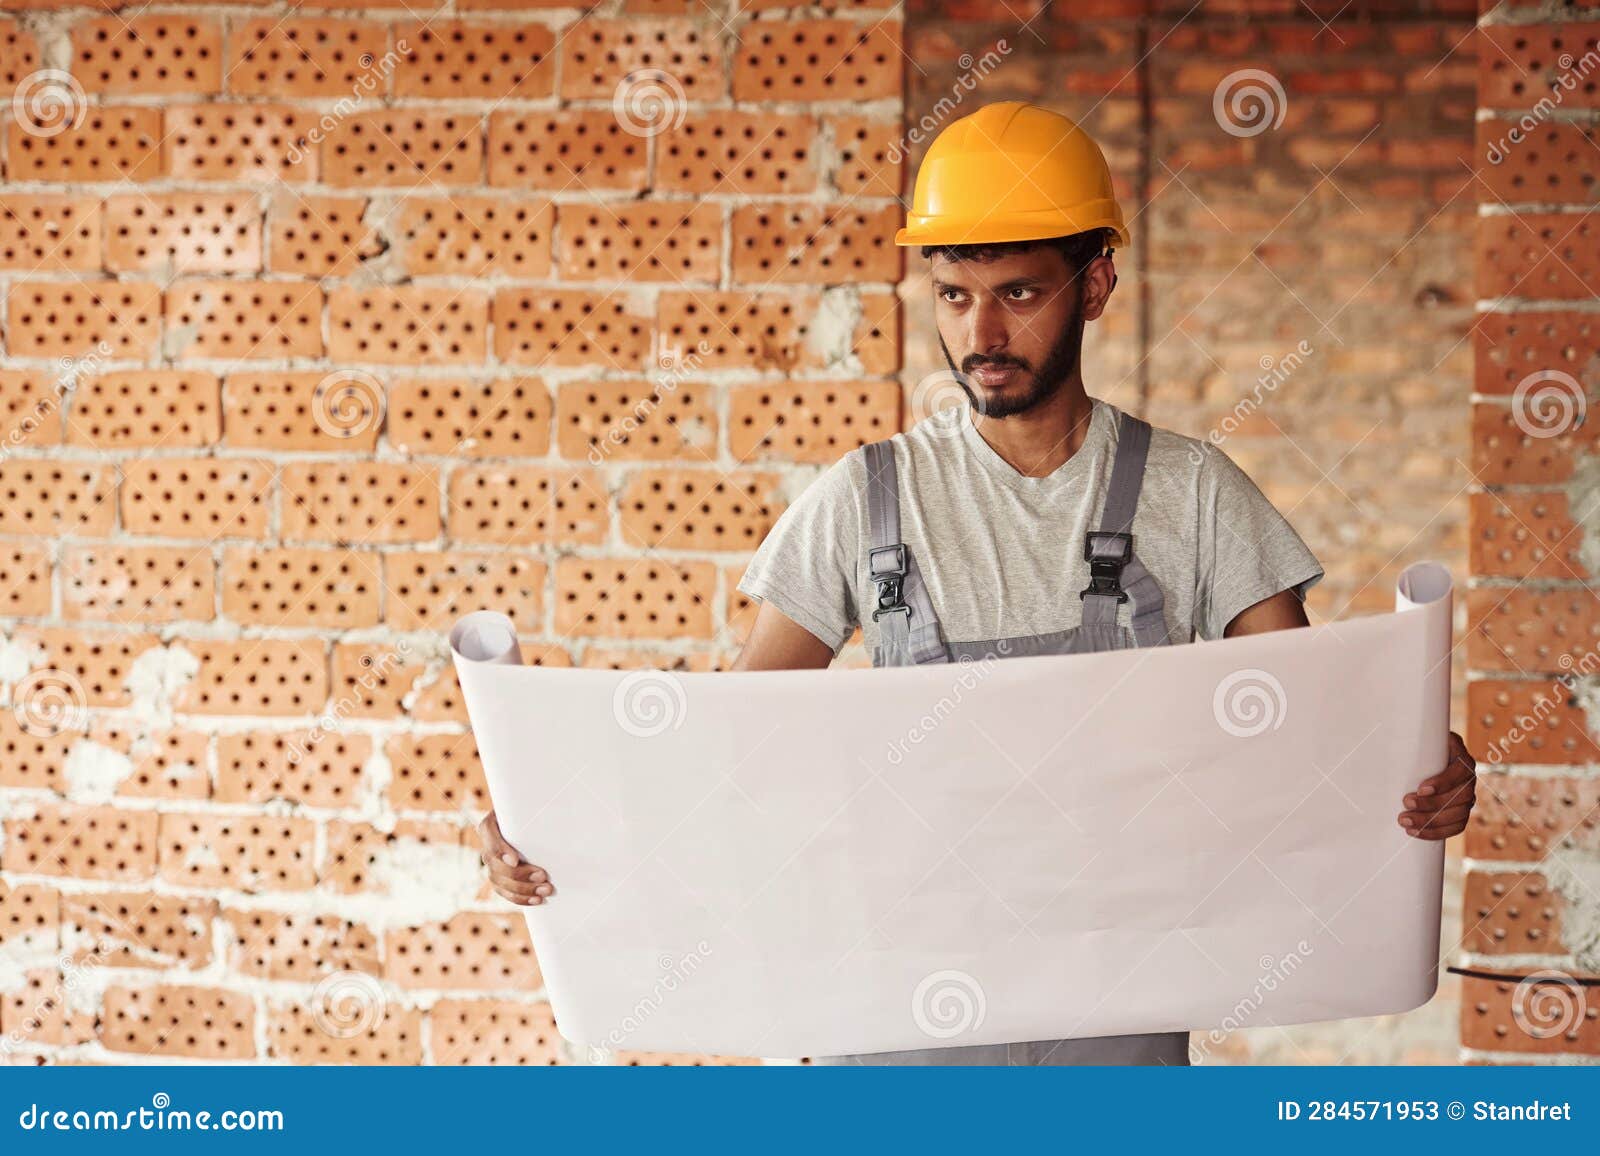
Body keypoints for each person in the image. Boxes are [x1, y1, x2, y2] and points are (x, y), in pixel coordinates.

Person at [476, 100, 1478, 1065]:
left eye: (1019, 294)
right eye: (955, 296)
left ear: (1095, 285)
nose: (982, 335)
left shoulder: (1194, 493)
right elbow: (731, 753)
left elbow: (1309, 734)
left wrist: (1417, 773)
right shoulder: (865, 500)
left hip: (1116, 1024)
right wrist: (555, 828)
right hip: (895, 1022)